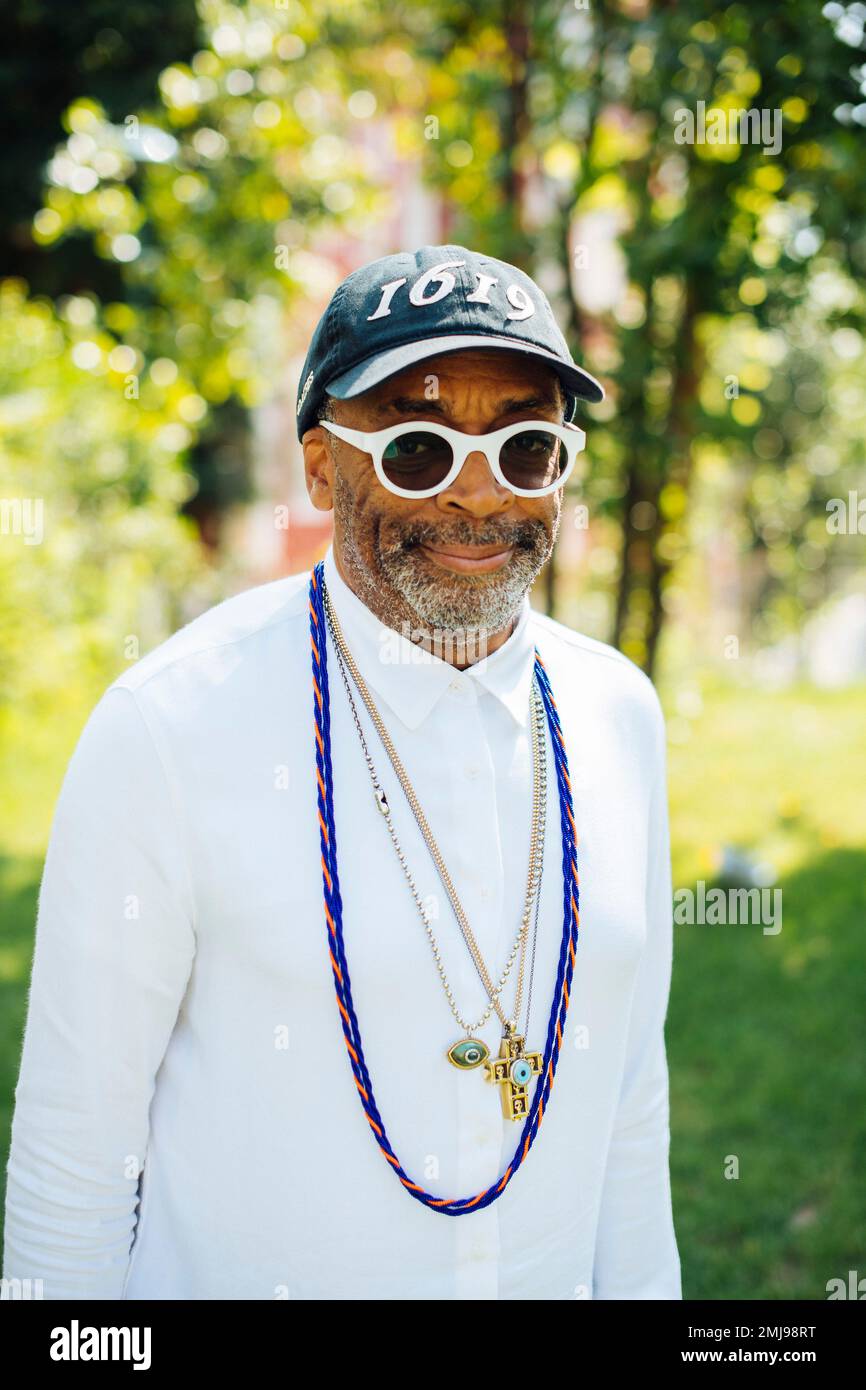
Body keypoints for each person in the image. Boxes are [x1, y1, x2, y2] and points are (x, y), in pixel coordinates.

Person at [3, 244, 681, 1299]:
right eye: (415, 450)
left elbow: (627, 1105)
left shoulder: (617, 716)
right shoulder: (167, 729)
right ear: (321, 465)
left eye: (525, 448)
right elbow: (74, 1158)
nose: (474, 495)